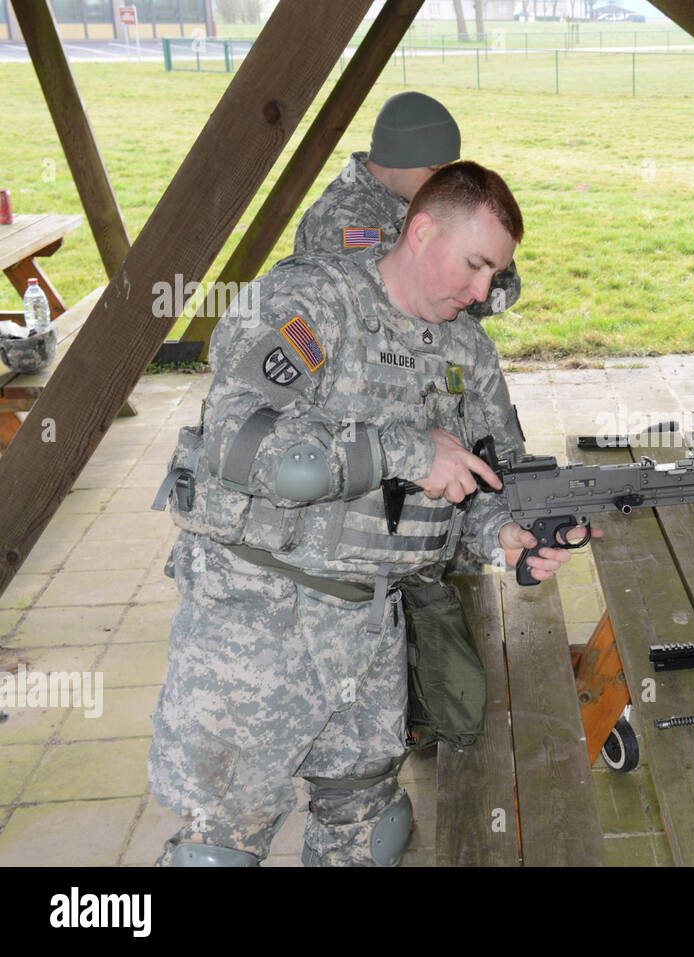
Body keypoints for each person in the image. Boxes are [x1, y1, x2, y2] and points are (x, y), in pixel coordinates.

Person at [149, 162, 584, 867]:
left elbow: (480, 481)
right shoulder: (313, 303)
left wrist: (503, 535)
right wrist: (402, 450)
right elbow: (239, 444)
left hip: (369, 625)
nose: (482, 291)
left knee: (367, 830)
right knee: (219, 844)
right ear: (420, 232)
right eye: (474, 264)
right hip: (258, 617)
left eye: (494, 274)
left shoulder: (467, 352)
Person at [294, 90, 522, 320]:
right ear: (397, 160)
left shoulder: (413, 199)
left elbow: (504, 290)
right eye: (434, 169)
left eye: (448, 169)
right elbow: (386, 309)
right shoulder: (342, 220)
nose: (443, 181)